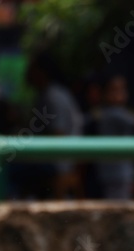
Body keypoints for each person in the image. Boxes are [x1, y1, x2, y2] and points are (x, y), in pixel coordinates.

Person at [24, 54, 84, 199]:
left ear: (41, 71)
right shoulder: (46, 94)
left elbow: (58, 135)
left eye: (32, 68)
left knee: (9, 166)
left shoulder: (54, 96)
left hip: (60, 163)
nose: (26, 73)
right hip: (55, 160)